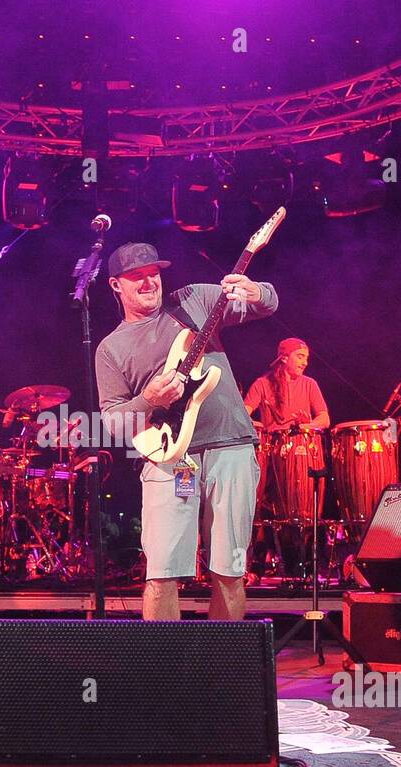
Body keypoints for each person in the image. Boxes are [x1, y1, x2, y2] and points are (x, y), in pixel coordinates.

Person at [95, 241, 278, 620]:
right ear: (116, 285)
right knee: (161, 572)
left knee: (228, 568)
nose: (149, 283)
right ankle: (164, 674)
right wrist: (147, 399)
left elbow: (268, 304)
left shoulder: (194, 299)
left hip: (230, 445)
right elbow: (113, 420)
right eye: (136, 277)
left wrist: (257, 291)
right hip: (168, 458)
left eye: (153, 274)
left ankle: (223, 671)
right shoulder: (111, 348)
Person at [244, 337, 331, 575]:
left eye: (306, 358)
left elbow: (324, 418)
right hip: (270, 452)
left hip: (300, 451)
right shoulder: (262, 384)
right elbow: (244, 414)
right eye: (300, 356)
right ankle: (254, 564)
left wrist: (307, 426)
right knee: (259, 505)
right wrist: (257, 423)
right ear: (284, 357)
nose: (305, 362)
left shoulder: (310, 384)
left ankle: (302, 563)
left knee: (299, 509)